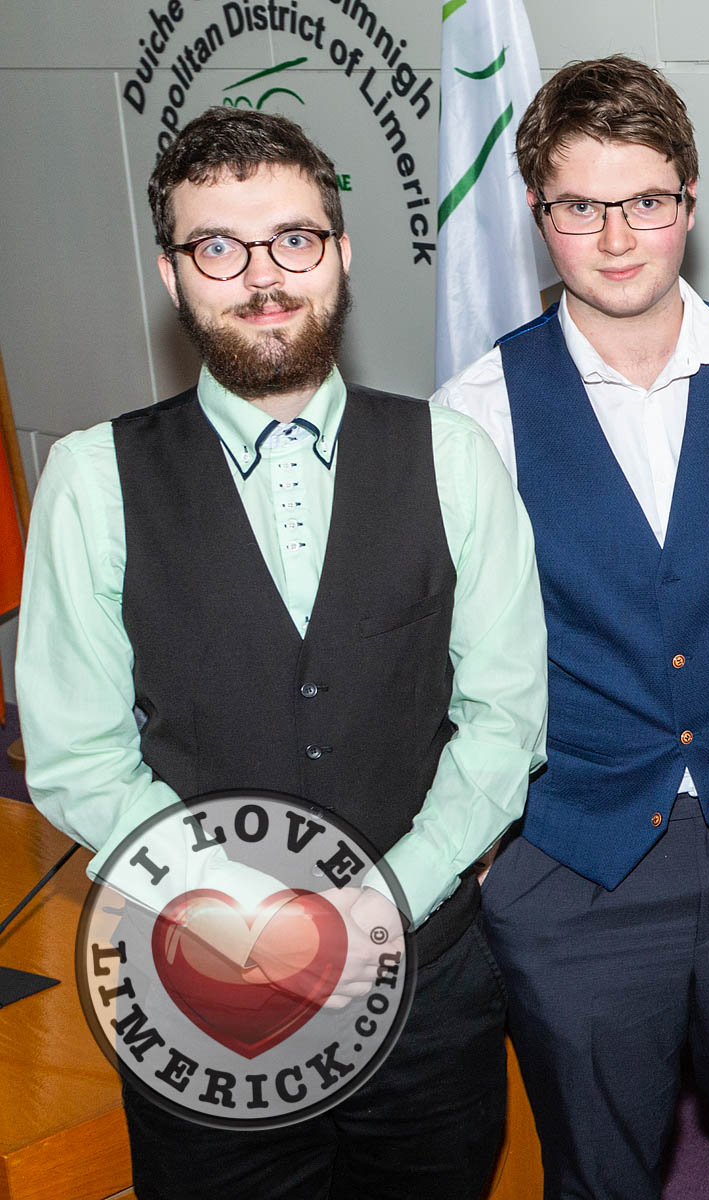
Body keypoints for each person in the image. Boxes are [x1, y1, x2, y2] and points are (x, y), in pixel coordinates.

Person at [19, 106, 545, 1200]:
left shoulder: (452, 453)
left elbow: (504, 719)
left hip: (427, 981)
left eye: (293, 240)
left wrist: (380, 903)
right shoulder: (90, 478)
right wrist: (244, 915)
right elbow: (79, 756)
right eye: (218, 247)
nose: (262, 277)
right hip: (200, 989)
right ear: (173, 274)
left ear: (341, 254)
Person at [432, 56, 709, 1198]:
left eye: (647, 203)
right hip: (570, 861)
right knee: (598, 1174)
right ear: (539, 216)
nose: (619, 238)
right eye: (582, 207)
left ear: (689, 201)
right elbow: (439, 654)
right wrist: (491, 859)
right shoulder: (472, 415)